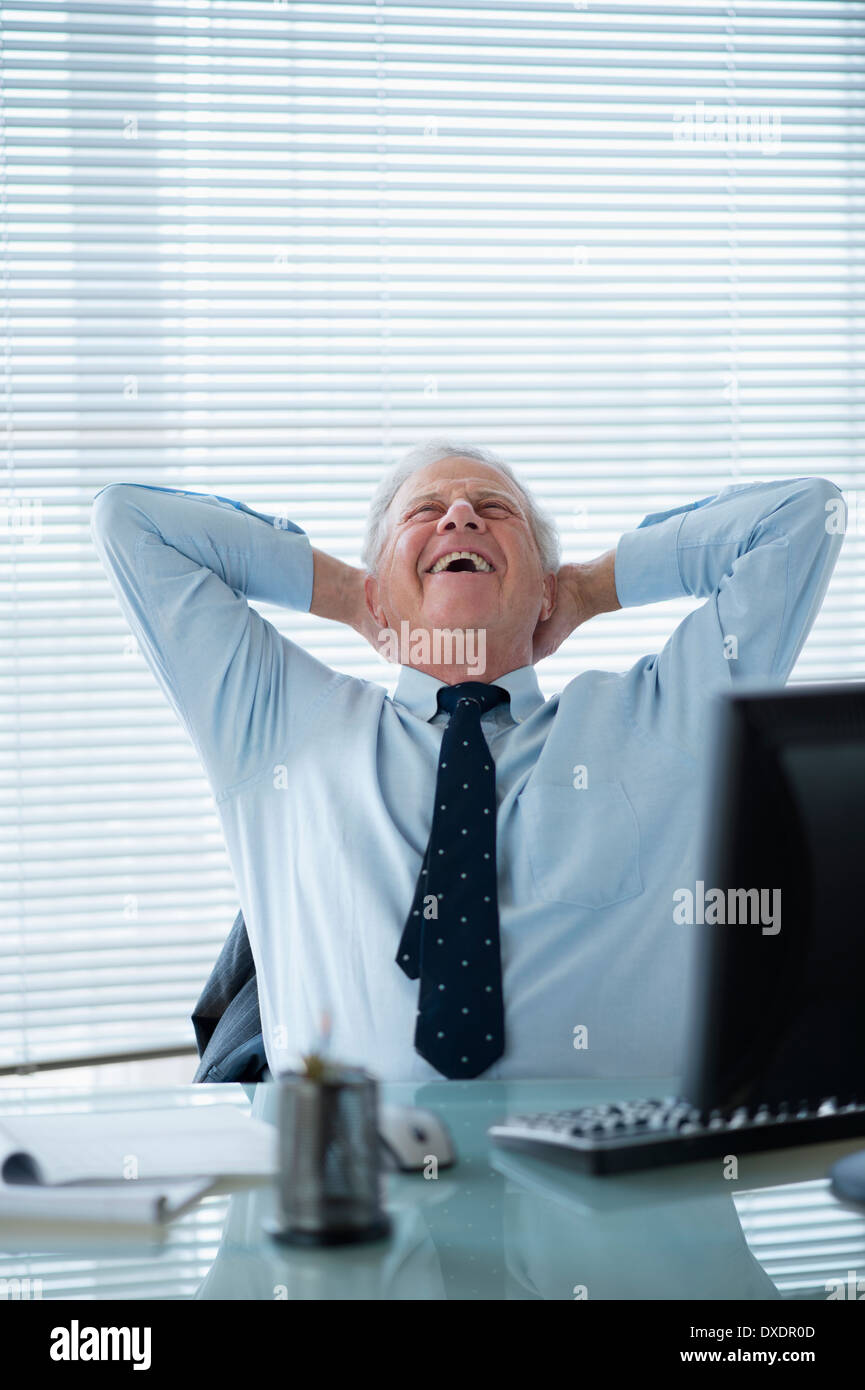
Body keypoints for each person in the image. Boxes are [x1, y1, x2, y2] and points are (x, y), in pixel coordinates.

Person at [90, 438, 845, 1081]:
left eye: (495, 509)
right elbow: (131, 521)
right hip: (352, 1207)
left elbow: (802, 518)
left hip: (620, 1201)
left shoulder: (663, 718)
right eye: (425, 512)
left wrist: (587, 588)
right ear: (380, 592)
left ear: (542, 590)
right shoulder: (279, 723)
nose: (460, 515)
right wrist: (351, 597)